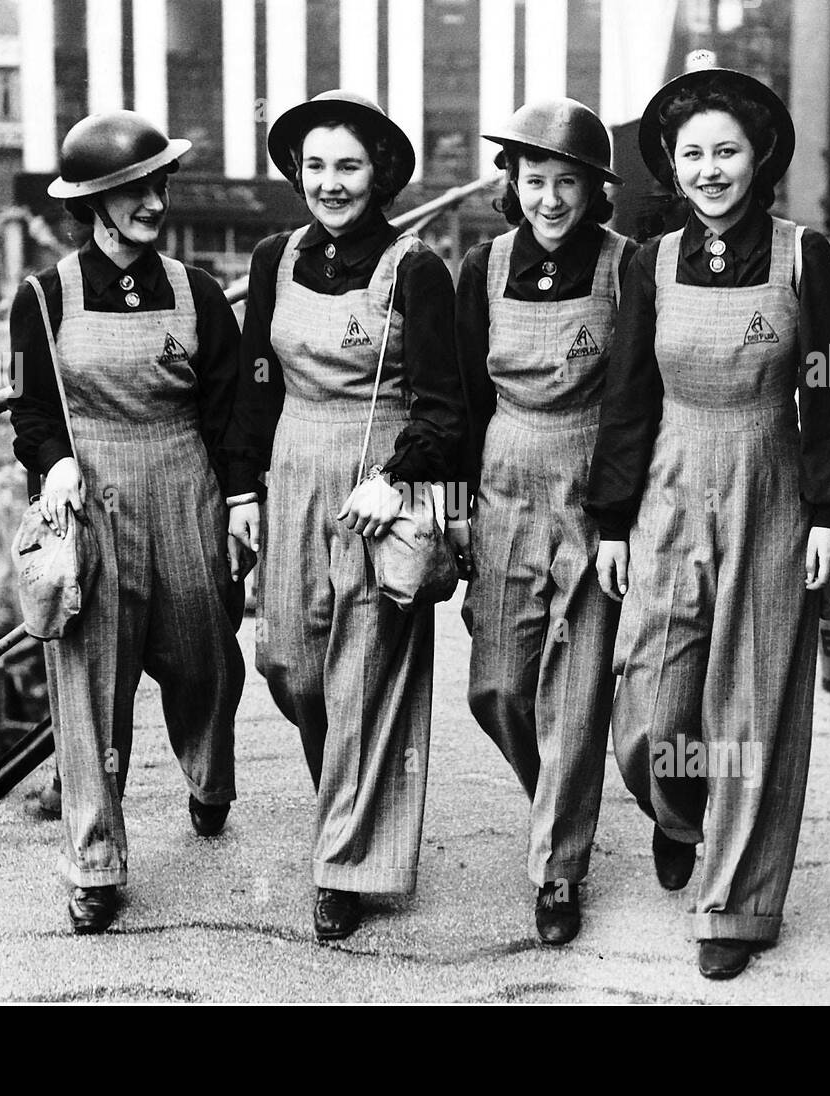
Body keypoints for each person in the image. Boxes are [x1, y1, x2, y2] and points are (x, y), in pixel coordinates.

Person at [586, 53, 830, 978]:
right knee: (649, 705)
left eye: (727, 152)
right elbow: (627, 400)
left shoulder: (801, 253)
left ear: (761, 157)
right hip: (668, 485)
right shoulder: (649, 260)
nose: (709, 170)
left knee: (752, 704)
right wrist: (613, 522)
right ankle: (678, 810)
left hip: (772, 488)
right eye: (691, 153)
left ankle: (736, 910)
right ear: (672, 163)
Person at [223, 90, 469, 942]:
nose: (329, 184)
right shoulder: (273, 258)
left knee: (364, 680)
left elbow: (446, 409)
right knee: (290, 665)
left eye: (348, 167)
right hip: (292, 475)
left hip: (375, 497)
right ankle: (348, 798)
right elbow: (256, 383)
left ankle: (345, 867)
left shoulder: (419, 270)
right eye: (316, 167)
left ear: (381, 175)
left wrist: (397, 475)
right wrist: (242, 492)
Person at [9, 110, 246, 934]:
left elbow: (229, 411)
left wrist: (238, 508)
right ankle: (95, 862)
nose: (152, 201)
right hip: (89, 496)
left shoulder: (199, 293)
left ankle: (210, 777)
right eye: (131, 190)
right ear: (94, 205)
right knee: (89, 687)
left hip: (184, 484)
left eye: (158, 184)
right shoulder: (42, 298)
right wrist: (53, 461)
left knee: (205, 659)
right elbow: (30, 410)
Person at [457, 99, 633, 945]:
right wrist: (453, 510)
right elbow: (455, 400)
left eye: (568, 182)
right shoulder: (481, 268)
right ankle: (558, 802)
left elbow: (645, 396)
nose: (551, 199)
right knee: (497, 687)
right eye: (535, 180)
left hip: (593, 482)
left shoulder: (625, 267)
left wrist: (627, 512)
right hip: (501, 482)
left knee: (578, 690)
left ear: (595, 190)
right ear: (513, 183)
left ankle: (560, 867)